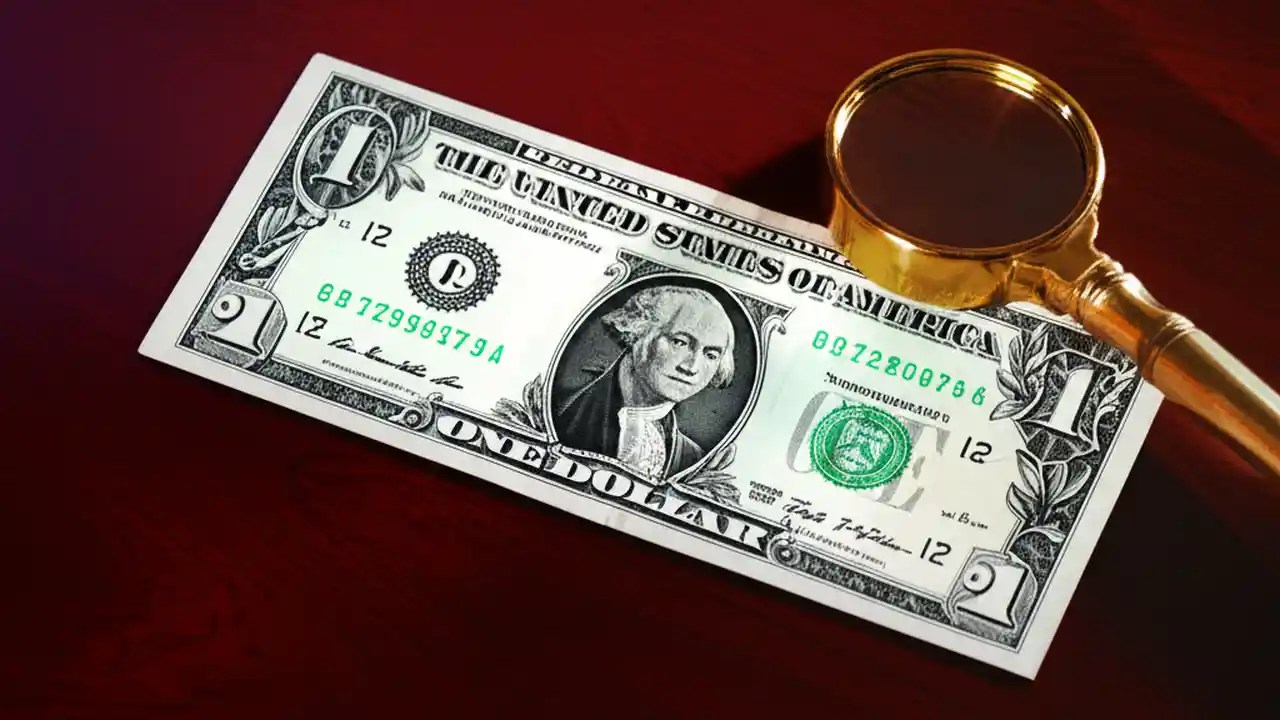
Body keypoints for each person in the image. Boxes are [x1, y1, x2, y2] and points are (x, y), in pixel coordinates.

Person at [554, 285, 736, 481]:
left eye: (710, 355)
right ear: (638, 332)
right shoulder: (559, 410)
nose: (691, 367)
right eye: (679, 342)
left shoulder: (692, 459)